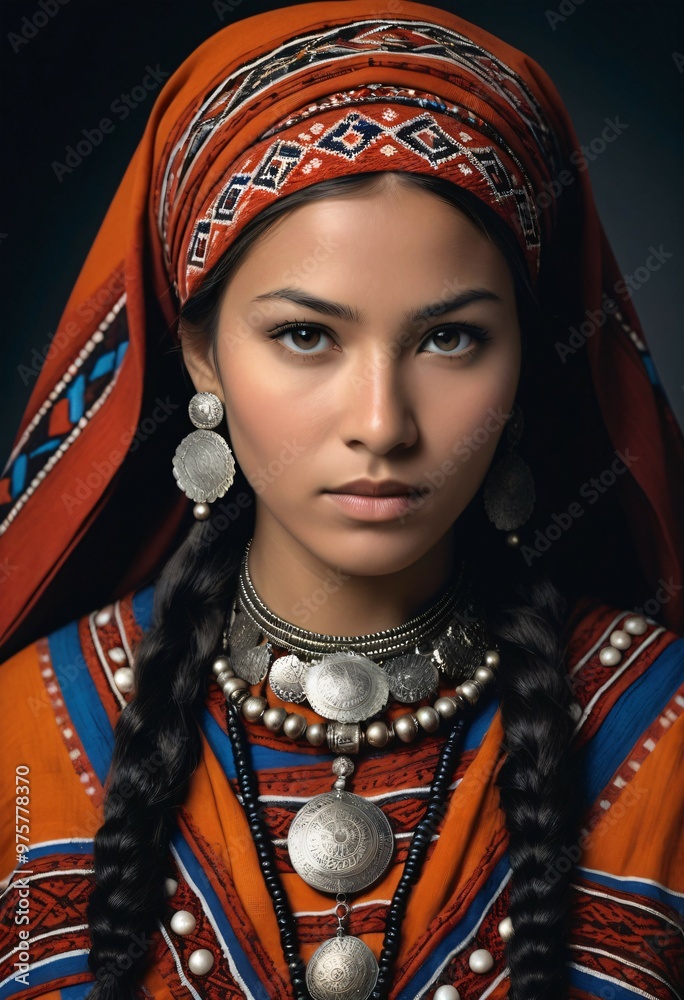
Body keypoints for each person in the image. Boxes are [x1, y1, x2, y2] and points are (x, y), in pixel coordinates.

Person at [0, 2, 682, 998]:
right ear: (202, 354)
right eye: (307, 336)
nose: (383, 423)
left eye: (451, 339)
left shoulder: (662, 727)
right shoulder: (25, 734)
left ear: (527, 362)